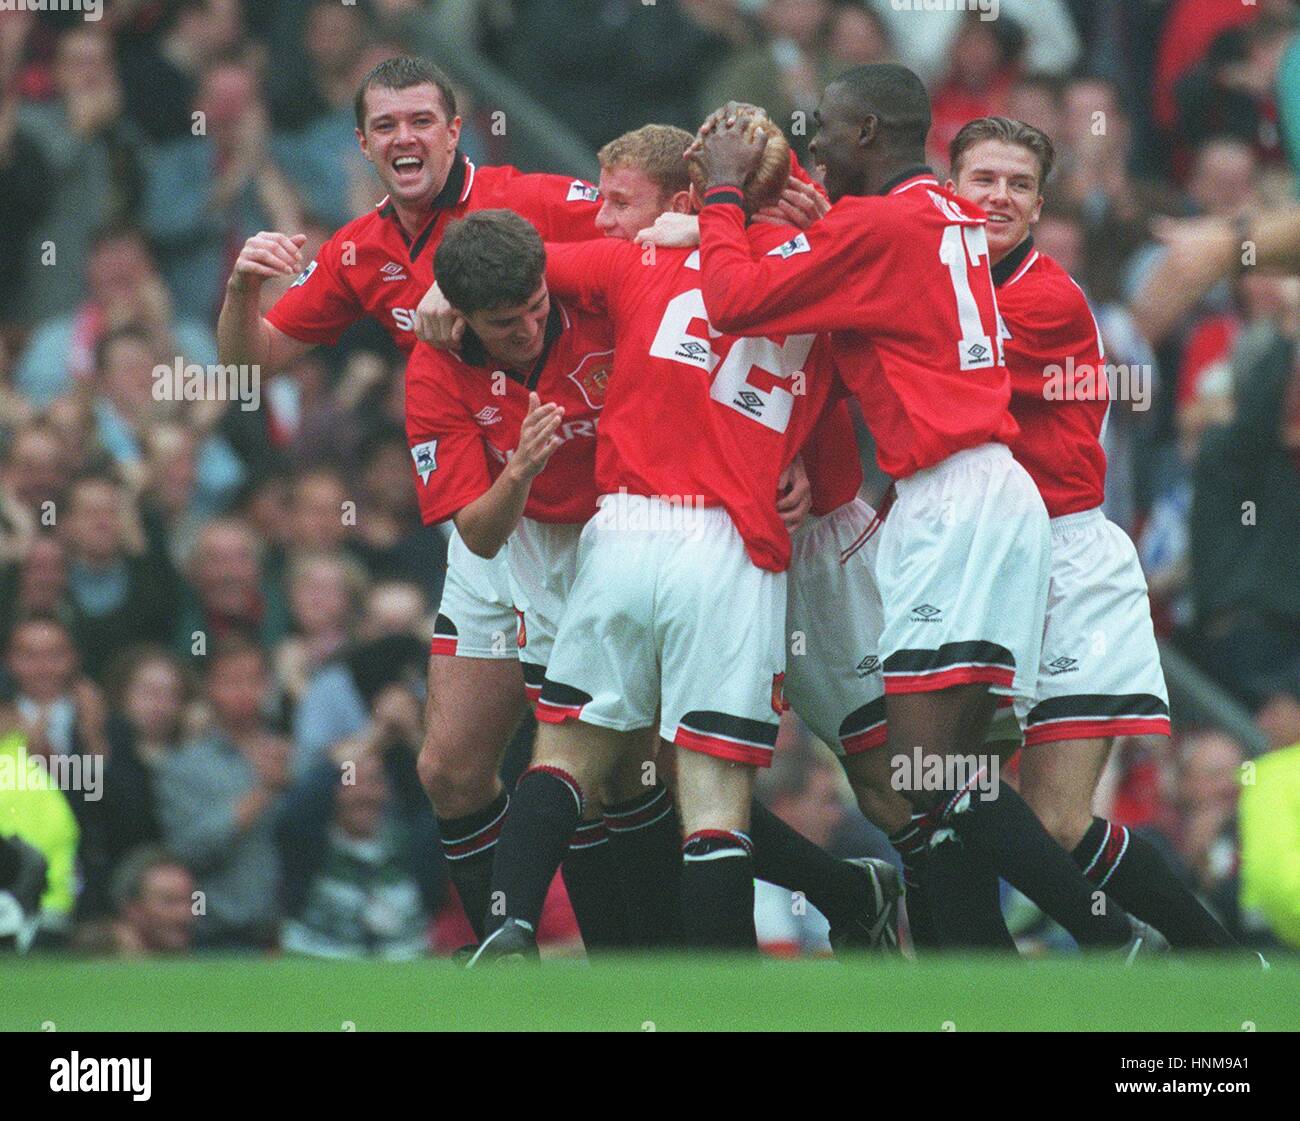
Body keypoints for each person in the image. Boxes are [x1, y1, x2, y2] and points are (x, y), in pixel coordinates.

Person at [691, 65, 1150, 952]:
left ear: (865, 133)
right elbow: (882, 267)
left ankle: (1109, 932)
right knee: (947, 770)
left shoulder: (882, 222)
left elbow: (732, 301)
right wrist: (813, 208)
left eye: (826, 125)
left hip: (957, 497)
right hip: (981, 494)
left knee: (922, 768)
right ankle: (986, 963)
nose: (813, 135)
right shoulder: (940, 210)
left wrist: (718, 196)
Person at [216, 56, 606, 937]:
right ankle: (509, 968)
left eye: (421, 121)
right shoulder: (359, 250)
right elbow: (250, 362)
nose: (405, 138)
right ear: (362, 142)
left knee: (611, 767)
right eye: (385, 126)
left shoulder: (528, 198)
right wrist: (244, 288)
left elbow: (658, 238)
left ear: (455, 129)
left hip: (593, 516)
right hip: (489, 520)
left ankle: (639, 958)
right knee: (452, 770)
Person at [946, 115, 1240, 952]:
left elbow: (937, 378)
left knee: (1056, 817)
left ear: (1039, 207)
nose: (999, 197)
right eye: (983, 179)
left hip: (1064, 565)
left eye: (1018, 185)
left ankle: (1212, 958)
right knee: (956, 791)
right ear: (949, 186)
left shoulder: (1042, 297)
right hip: (984, 562)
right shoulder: (944, 282)